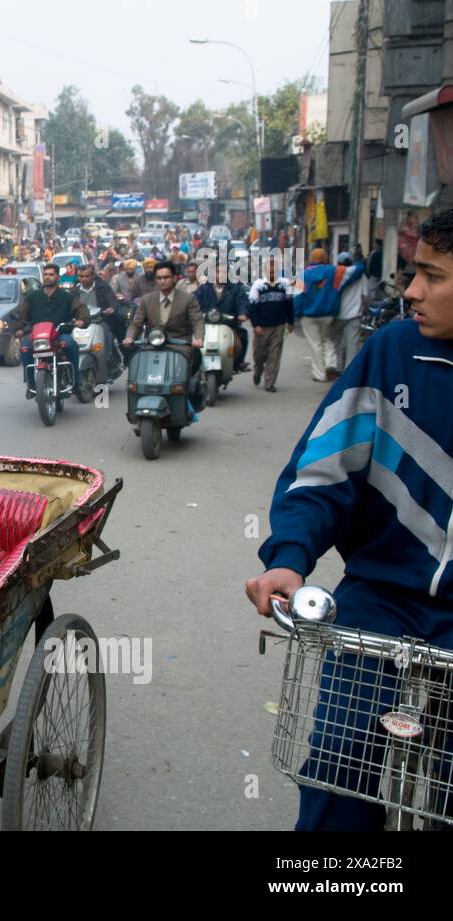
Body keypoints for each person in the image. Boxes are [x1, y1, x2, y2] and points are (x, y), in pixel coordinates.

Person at [244, 207, 453, 832]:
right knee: (337, 760)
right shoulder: (392, 353)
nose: (411, 291)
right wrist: (287, 558)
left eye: (432, 277)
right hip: (380, 597)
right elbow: (323, 472)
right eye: (414, 273)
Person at [12, 263, 88, 391]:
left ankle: (77, 381)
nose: (48, 277)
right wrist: (19, 329)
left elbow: (81, 309)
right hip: (37, 336)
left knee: (70, 345)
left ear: (57, 277)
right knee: (25, 348)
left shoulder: (67, 296)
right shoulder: (32, 296)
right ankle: (30, 383)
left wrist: (82, 320)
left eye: (51, 275)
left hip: (59, 334)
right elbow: (21, 313)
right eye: (46, 275)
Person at [122, 260, 204, 373]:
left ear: (175, 278)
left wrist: (198, 339)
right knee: (138, 371)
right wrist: (129, 337)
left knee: (182, 374)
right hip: (152, 345)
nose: (162, 281)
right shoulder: (147, 300)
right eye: (159, 278)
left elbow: (197, 321)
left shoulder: (188, 299)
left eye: (166, 277)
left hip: (180, 346)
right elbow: (136, 324)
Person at [294, 248, 343, 382]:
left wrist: (296, 313)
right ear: (325, 257)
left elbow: (298, 295)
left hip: (309, 315)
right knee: (327, 339)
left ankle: (320, 374)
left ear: (311, 258)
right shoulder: (333, 271)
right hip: (328, 313)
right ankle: (331, 364)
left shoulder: (303, 274)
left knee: (315, 344)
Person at [195, 266, 251, 372]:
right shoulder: (204, 288)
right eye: (218, 272)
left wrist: (242, 313)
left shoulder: (235, 289)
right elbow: (195, 302)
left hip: (228, 325)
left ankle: (237, 364)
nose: (221, 274)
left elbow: (242, 303)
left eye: (224, 272)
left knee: (240, 341)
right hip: (205, 325)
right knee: (193, 345)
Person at [246, 276, 294, 393]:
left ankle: (269, 383)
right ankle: (258, 371)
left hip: (279, 325)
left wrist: (291, 322)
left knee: (275, 354)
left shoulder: (284, 284)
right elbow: (252, 306)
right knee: (259, 355)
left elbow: (289, 304)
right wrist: (255, 324)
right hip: (262, 326)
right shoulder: (258, 285)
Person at [330, 251, 368, 373]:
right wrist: (364, 311)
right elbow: (366, 296)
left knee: (337, 343)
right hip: (355, 315)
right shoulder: (361, 276)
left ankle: (338, 367)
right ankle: (349, 371)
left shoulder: (334, 274)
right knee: (352, 344)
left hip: (337, 315)